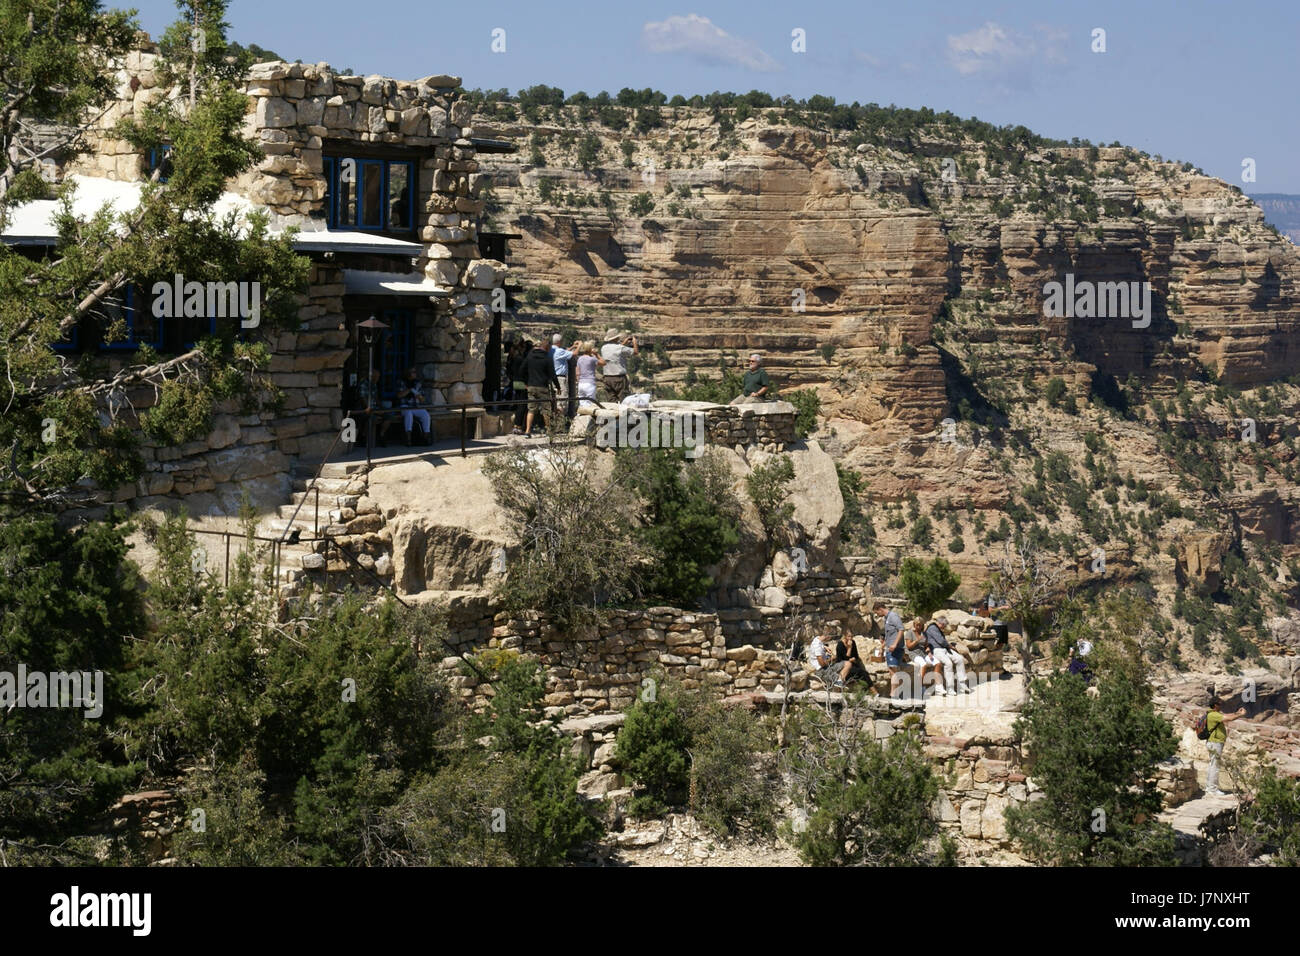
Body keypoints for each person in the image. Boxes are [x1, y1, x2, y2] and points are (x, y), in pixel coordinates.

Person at [1205, 698, 1247, 796]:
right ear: (1215, 705)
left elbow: (1227, 715)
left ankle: (1209, 787)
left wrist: (1237, 713)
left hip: (1214, 742)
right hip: (1215, 742)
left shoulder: (1212, 714)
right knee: (1215, 766)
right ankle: (1212, 789)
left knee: (1212, 765)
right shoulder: (1213, 715)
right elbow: (1229, 719)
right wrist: (1240, 715)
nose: (1221, 706)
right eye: (1219, 704)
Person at [924, 614, 970, 696]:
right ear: (941, 624)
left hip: (945, 649)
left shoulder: (938, 629)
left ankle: (962, 684)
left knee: (959, 659)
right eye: (944, 626)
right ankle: (950, 688)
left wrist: (949, 646)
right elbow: (941, 641)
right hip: (937, 650)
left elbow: (942, 642)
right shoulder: (932, 628)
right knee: (948, 663)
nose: (944, 627)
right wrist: (950, 646)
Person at [523, 339, 558, 437]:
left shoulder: (530, 356)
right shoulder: (547, 358)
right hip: (543, 387)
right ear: (547, 347)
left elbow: (522, 369)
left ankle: (527, 431)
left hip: (531, 386)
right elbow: (553, 374)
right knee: (546, 410)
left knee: (531, 409)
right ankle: (548, 431)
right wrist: (558, 386)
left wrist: (526, 382)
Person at [875, 601, 906, 697]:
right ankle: (897, 693)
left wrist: (895, 644)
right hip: (890, 649)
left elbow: (901, 629)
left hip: (895, 649)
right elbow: (889, 636)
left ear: (880, 609)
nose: (877, 615)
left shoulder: (893, 616)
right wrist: (882, 647)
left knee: (893, 671)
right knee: (892, 671)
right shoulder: (886, 618)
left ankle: (893, 694)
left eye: (876, 612)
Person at [600, 330, 638, 402]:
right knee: (623, 400)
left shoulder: (603, 348)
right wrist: (635, 342)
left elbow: (615, 350)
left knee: (611, 401)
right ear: (616, 338)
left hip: (607, 377)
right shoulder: (620, 348)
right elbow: (635, 352)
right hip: (619, 378)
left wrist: (624, 343)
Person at [397, 367, 430, 446]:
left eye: (415, 372)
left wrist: (419, 397)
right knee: (408, 414)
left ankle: (425, 438)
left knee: (426, 415)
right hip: (405, 405)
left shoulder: (417, 383)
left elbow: (423, 399)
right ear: (408, 373)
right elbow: (399, 395)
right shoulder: (401, 382)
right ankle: (408, 439)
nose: (415, 373)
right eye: (413, 372)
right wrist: (409, 390)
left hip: (415, 405)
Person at [905, 617, 936, 699]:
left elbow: (926, 645)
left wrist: (929, 651)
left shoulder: (924, 633)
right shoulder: (910, 633)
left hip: (923, 653)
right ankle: (921, 687)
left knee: (937, 662)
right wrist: (917, 640)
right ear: (914, 624)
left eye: (920, 625)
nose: (918, 627)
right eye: (917, 625)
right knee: (923, 664)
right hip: (913, 653)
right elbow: (909, 646)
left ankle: (938, 686)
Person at [550, 333, 577, 416]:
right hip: (560, 379)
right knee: (562, 400)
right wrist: (579, 346)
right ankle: (561, 419)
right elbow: (574, 354)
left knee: (554, 399)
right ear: (560, 342)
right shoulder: (559, 351)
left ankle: (554, 418)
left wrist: (572, 346)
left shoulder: (550, 350)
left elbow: (565, 352)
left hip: (552, 378)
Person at [507, 339, 530, 434]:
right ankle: (518, 425)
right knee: (522, 405)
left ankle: (517, 425)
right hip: (522, 383)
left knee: (519, 403)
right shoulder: (520, 359)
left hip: (515, 382)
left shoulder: (513, 358)